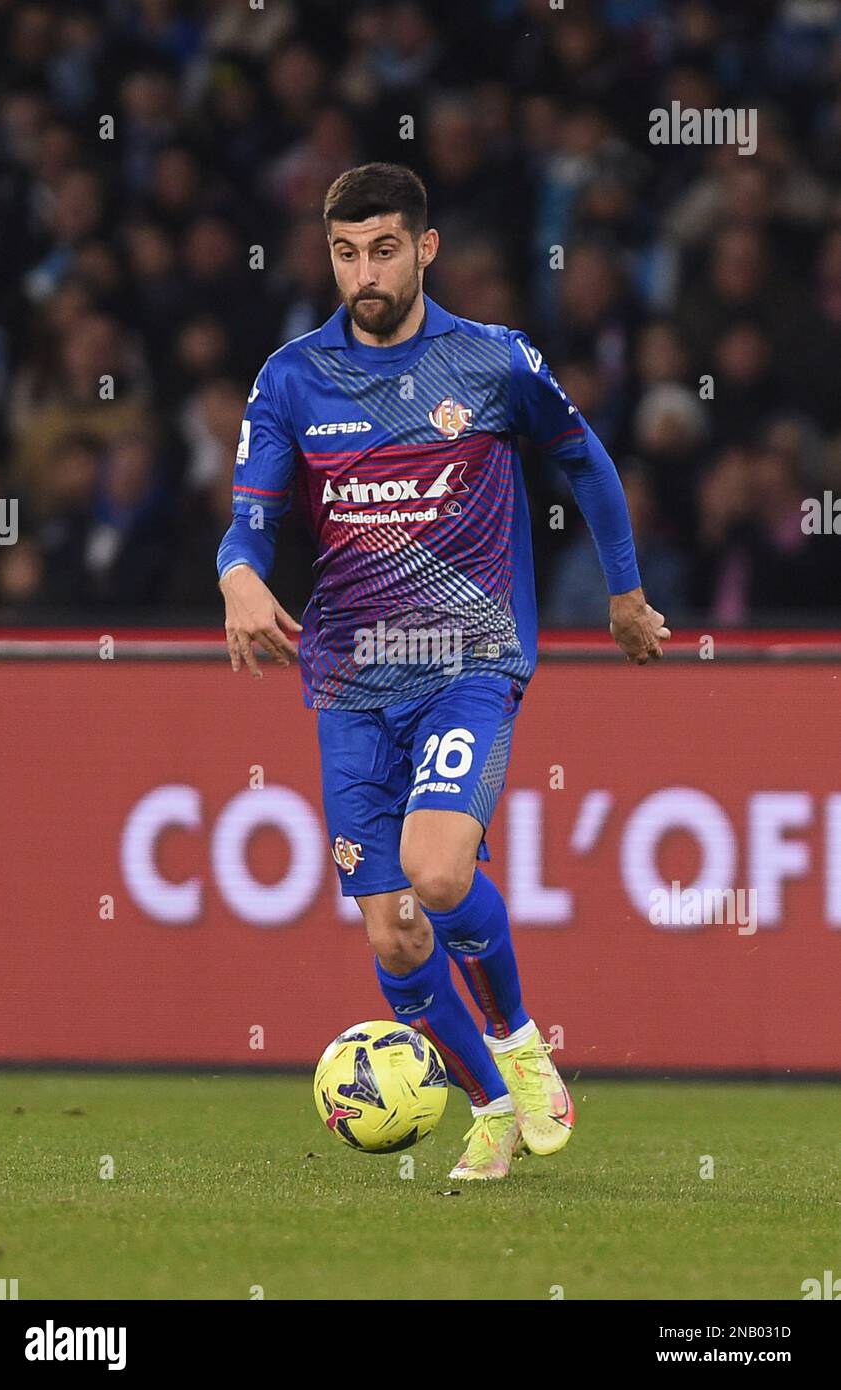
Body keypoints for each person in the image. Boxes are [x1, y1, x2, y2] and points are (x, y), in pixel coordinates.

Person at [216, 163, 670, 1179]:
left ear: (423, 249)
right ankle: (493, 1106)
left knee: (435, 870)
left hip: (468, 657)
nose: (362, 272)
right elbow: (249, 519)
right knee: (392, 936)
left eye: (382, 250)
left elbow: (585, 459)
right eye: (344, 252)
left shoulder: (492, 362)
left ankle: (517, 1037)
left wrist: (624, 594)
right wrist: (237, 574)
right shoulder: (290, 378)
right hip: (348, 678)